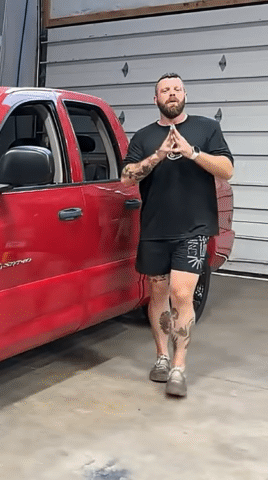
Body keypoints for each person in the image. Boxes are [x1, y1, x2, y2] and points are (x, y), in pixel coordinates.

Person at [121, 73, 234, 397]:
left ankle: (179, 367)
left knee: (181, 295)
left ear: (185, 95)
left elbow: (227, 170)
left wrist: (192, 153)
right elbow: (127, 178)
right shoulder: (143, 136)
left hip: (194, 228)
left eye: (176, 89)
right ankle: (161, 357)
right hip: (155, 228)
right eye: (165, 90)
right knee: (157, 294)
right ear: (155, 99)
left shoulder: (206, 129)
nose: (171, 94)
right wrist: (157, 155)